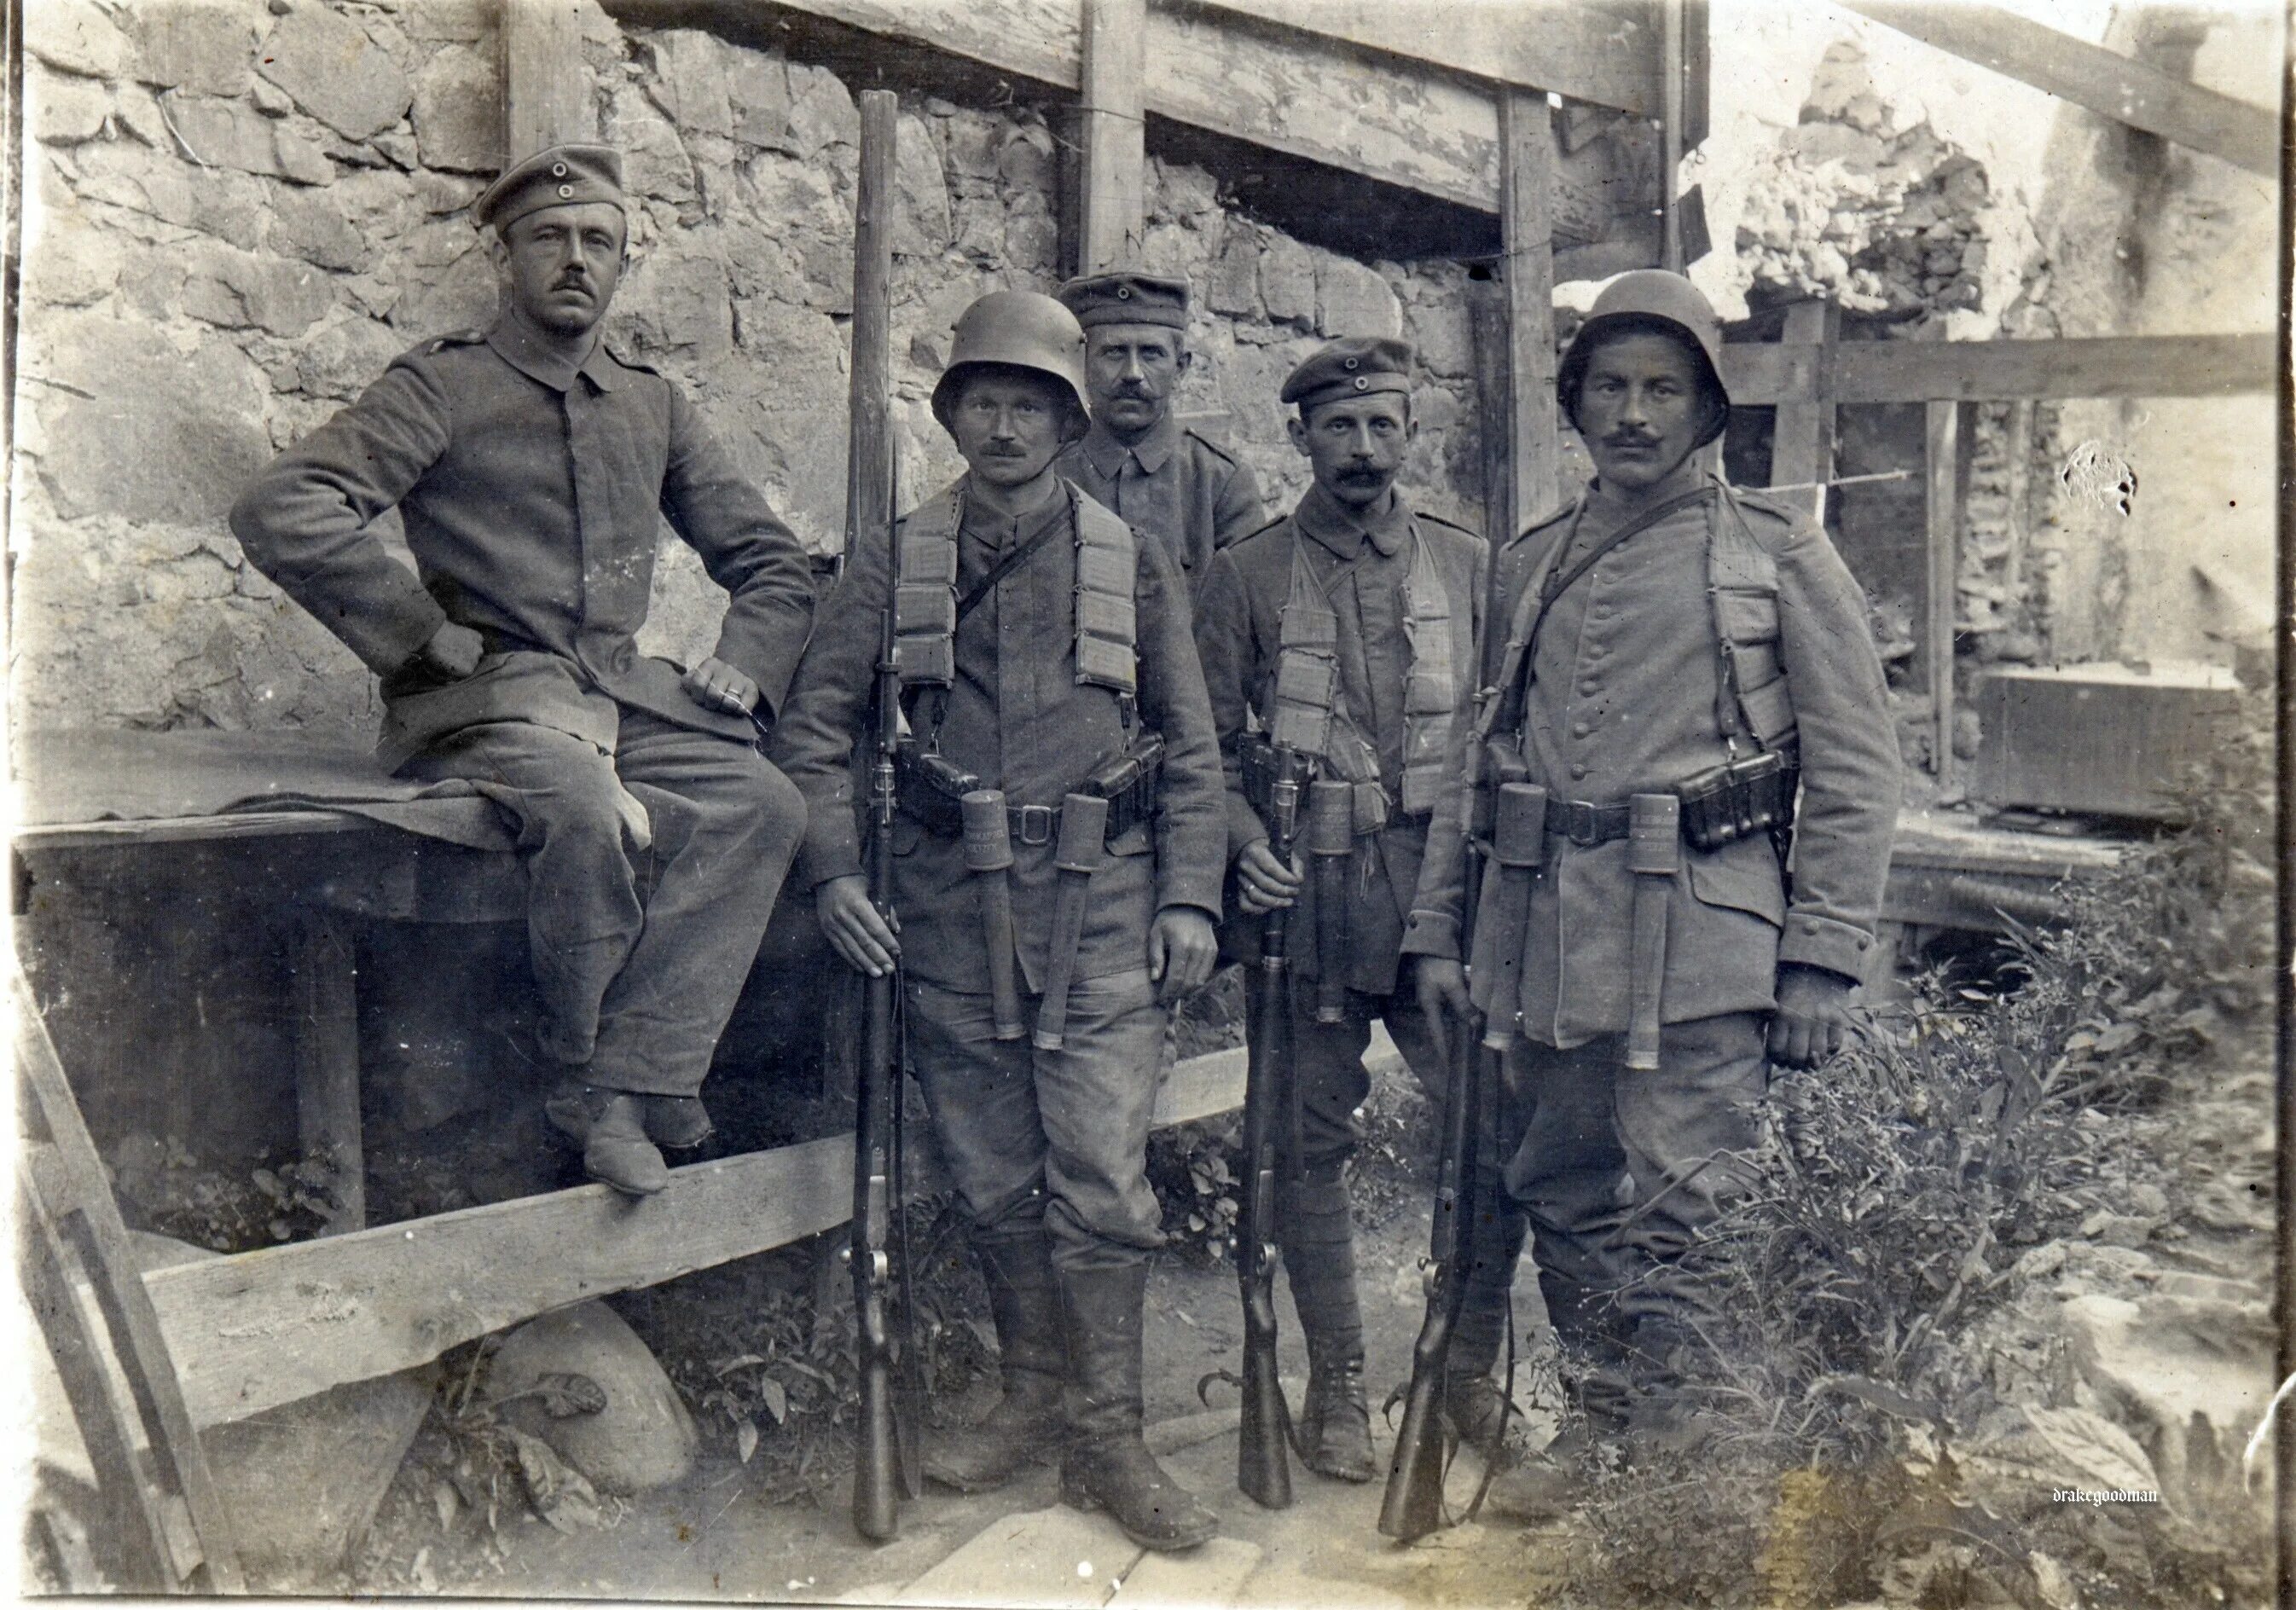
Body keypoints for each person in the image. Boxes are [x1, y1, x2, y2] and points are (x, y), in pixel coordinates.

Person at [229, 145, 815, 1198]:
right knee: (587, 810)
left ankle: (630, 1086)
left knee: (763, 803)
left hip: (618, 693)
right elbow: (284, 504)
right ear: (508, 260)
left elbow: (769, 559)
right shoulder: (443, 384)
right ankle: (585, 1081)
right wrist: (416, 629)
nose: (574, 260)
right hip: (486, 700)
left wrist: (744, 661)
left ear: (625, 266)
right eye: (548, 238)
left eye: (599, 241)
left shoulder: (653, 405)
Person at [1404, 269, 1899, 1513]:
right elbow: (1478, 760)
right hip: (1548, 935)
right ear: (1575, 403)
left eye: (1661, 390)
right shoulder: (1527, 566)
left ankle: (1687, 1464)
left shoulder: (1778, 555)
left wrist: (1822, 960)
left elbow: (1854, 765)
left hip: (1705, 934)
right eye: (1610, 388)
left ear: (1705, 410)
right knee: (1562, 1185)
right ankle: (1608, 1433)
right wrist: (1437, 929)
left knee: (1689, 1193)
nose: (1633, 414)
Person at [768, 291, 1228, 1552]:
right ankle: (1034, 1399)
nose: (1007, 425)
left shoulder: (1131, 560)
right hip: (943, 909)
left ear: (1069, 420)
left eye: (1032, 404)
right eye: (985, 401)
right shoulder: (893, 558)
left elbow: (1190, 748)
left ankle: (1110, 1436)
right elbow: (814, 735)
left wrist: (1191, 893)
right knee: (988, 1172)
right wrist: (834, 878)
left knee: (1103, 1174)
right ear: (954, 414)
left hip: (1103, 903)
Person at [1191, 336, 1485, 1482]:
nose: (1363, 449)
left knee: (1484, 1132)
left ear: (1410, 435)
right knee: (1302, 1146)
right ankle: (1346, 1383)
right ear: (1300, 437)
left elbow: (1502, 735)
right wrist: (1248, 845)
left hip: (1448, 899)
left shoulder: (1469, 567)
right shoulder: (1247, 575)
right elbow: (1202, 747)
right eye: (1340, 427)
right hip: (1310, 906)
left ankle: (1459, 1374)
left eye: (1383, 426)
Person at [1053, 271, 1266, 606]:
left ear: (1180, 367)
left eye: (1152, 354)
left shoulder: (1221, 482)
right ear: (1081, 364)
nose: (1133, 374)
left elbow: (1245, 620)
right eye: (1113, 353)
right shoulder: (1051, 474)